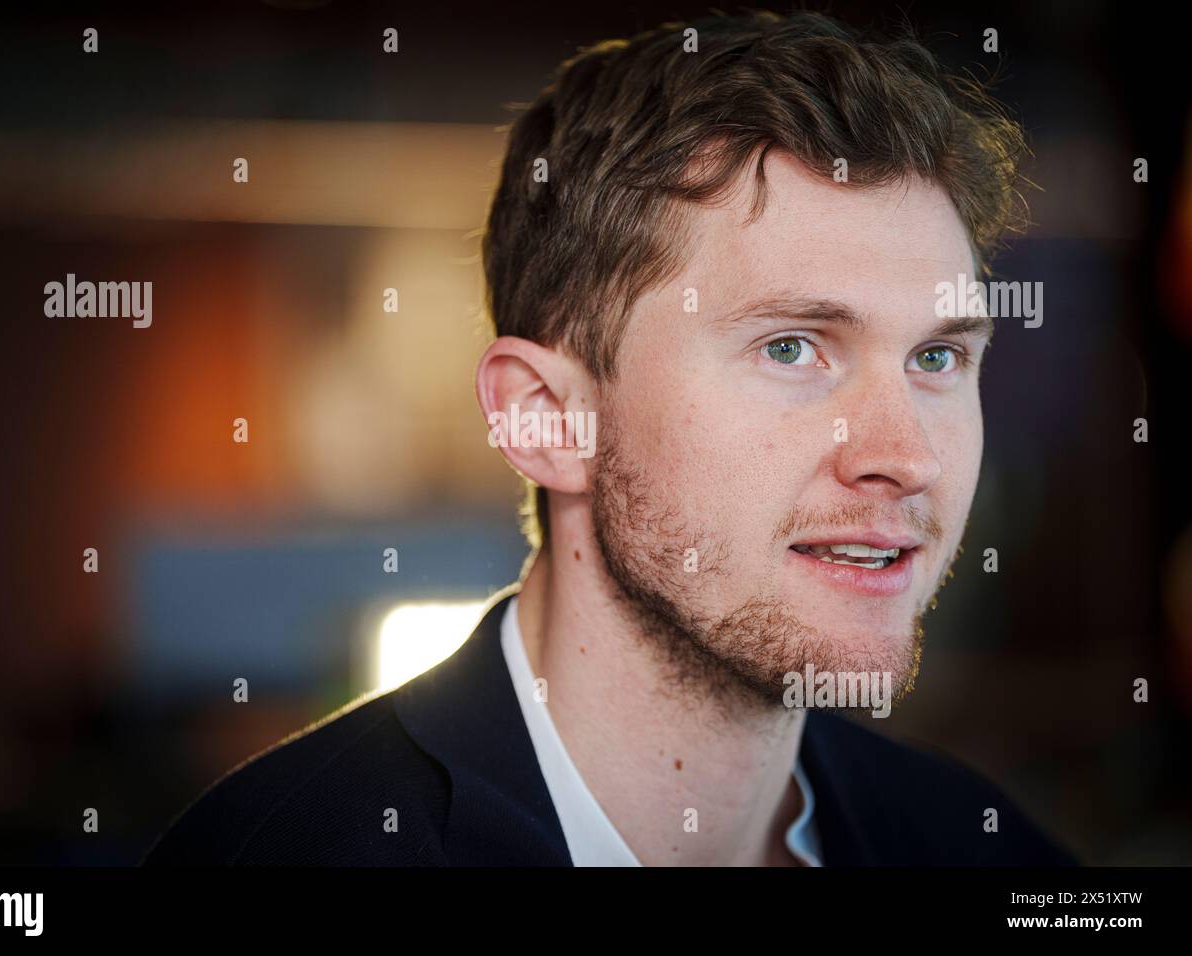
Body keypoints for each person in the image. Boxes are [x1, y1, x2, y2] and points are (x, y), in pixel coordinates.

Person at [144, 9, 1075, 867]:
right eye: (792, 347)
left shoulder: (984, 851)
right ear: (546, 419)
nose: (906, 454)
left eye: (939, 358)